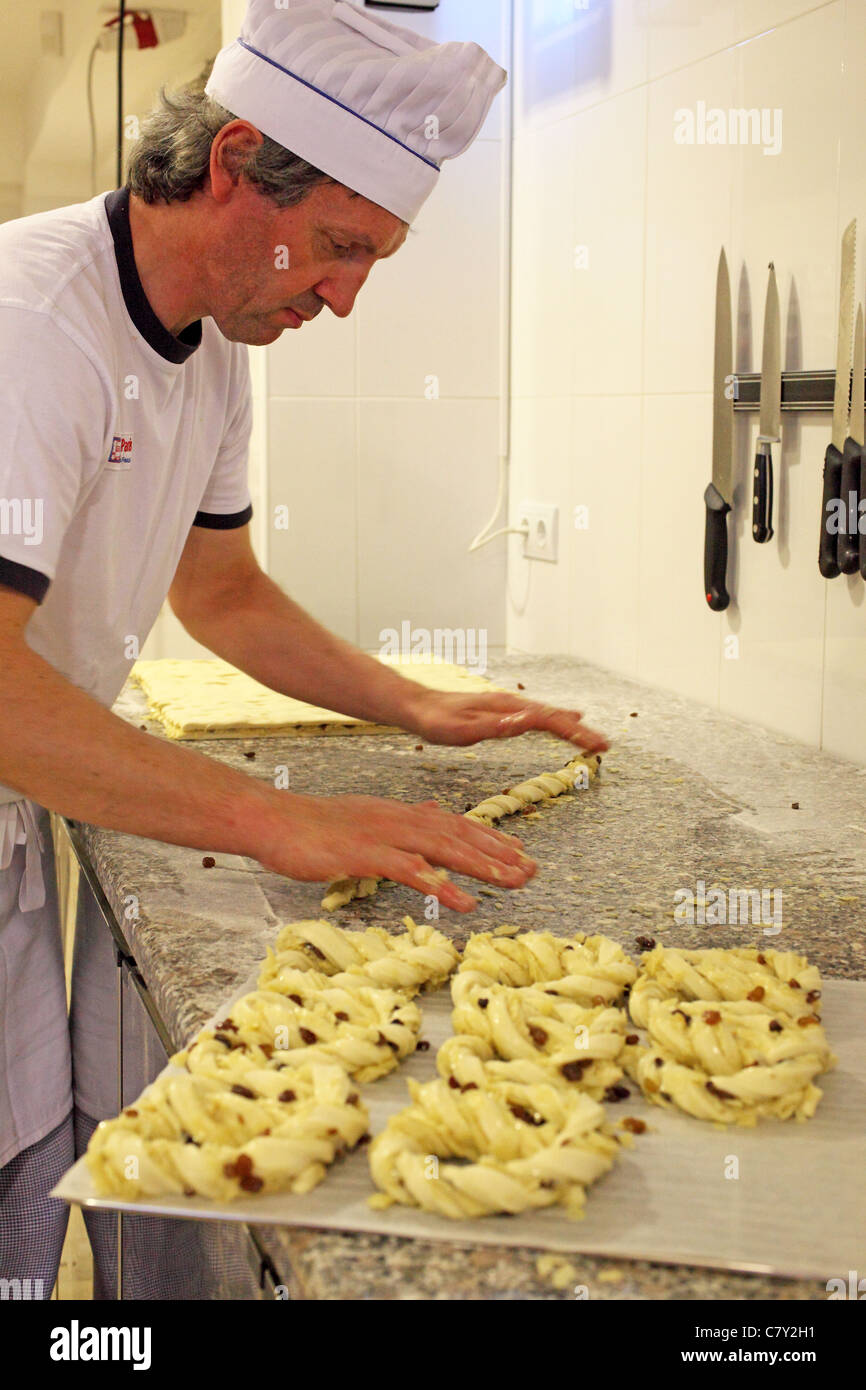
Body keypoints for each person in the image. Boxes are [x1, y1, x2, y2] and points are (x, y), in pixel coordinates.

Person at [0, 0, 608, 1297]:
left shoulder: (214, 352)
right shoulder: (32, 327)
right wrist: (275, 821)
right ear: (232, 168)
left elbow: (223, 592)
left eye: (372, 259)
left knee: (31, 1162)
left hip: (20, 818)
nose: (344, 296)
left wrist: (411, 704)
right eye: (338, 246)